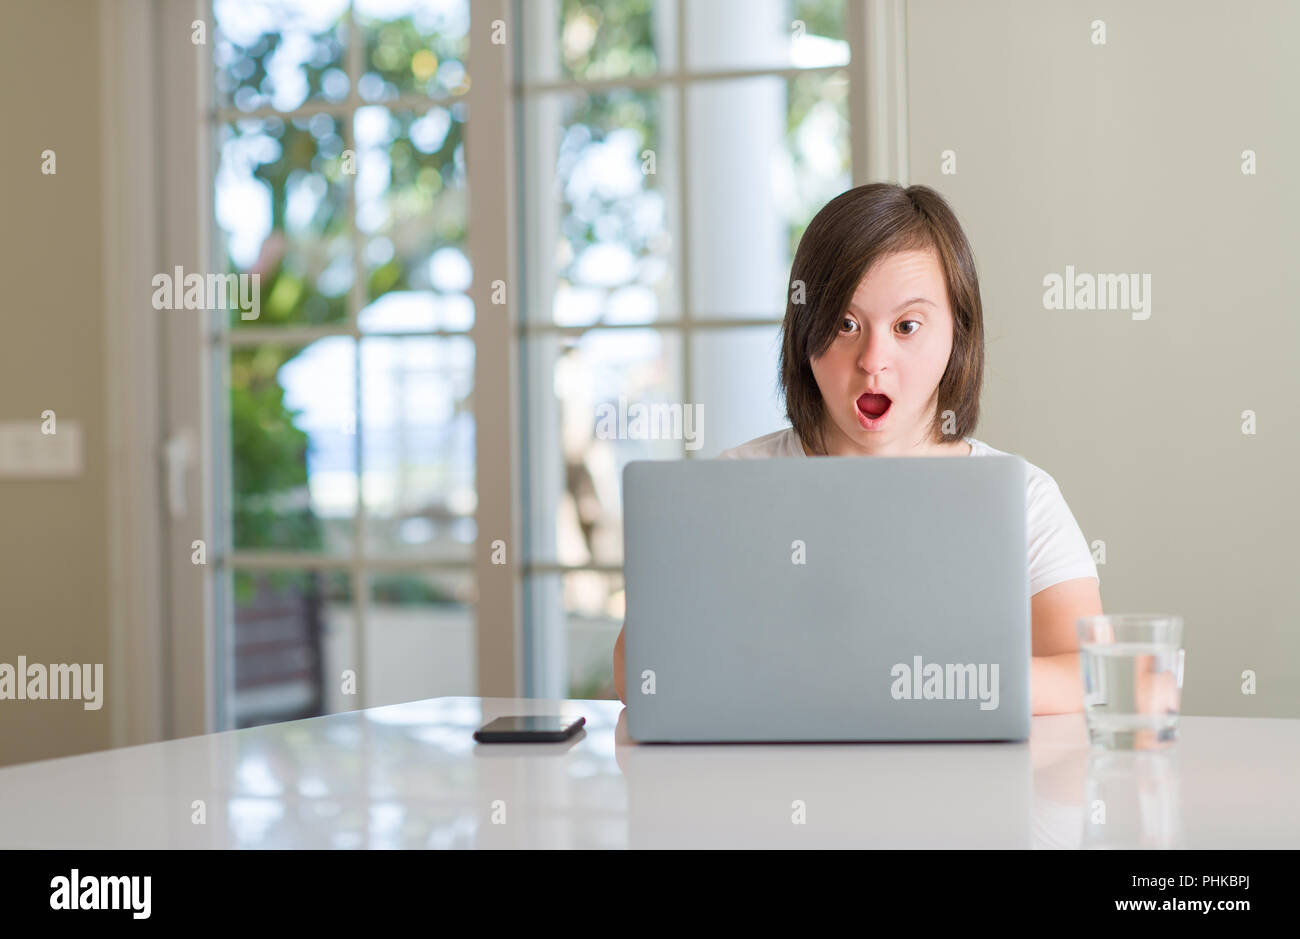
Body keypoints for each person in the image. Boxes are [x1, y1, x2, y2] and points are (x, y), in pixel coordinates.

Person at [613, 183, 1102, 714]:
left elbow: (1086, 669)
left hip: (963, 790)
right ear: (805, 333)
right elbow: (640, 671)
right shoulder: (732, 487)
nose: (873, 359)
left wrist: (923, 681)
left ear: (957, 334)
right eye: (846, 325)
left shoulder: (1022, 497)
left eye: (907, 326)